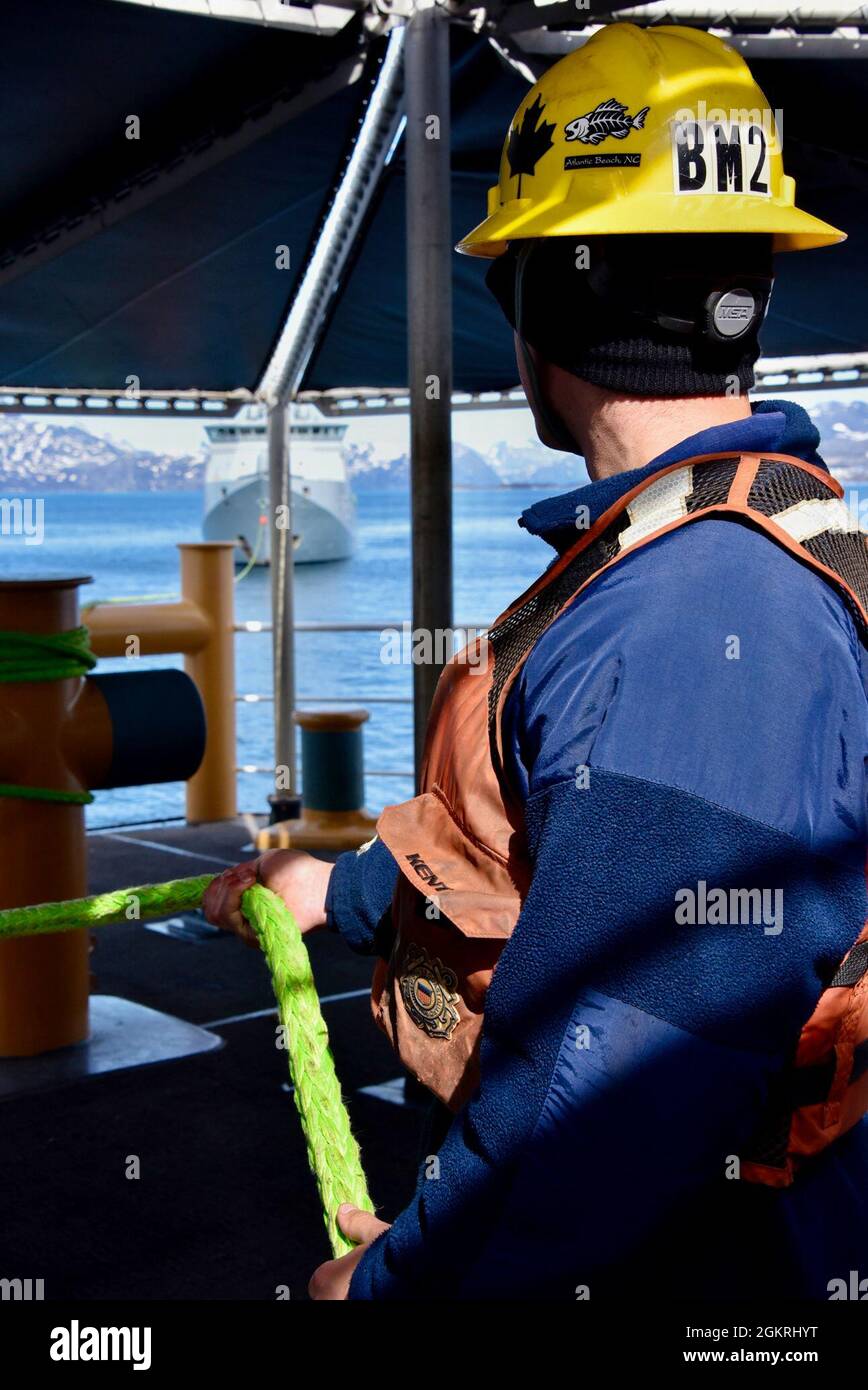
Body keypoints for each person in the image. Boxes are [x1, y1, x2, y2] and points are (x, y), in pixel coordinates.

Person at [205, 23, 868, 1300]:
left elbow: (619, 1079)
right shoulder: (696, 556)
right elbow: (550, 857)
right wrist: (335, 895)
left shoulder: (695, 614)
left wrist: (396, 1282)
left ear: (545, 304)